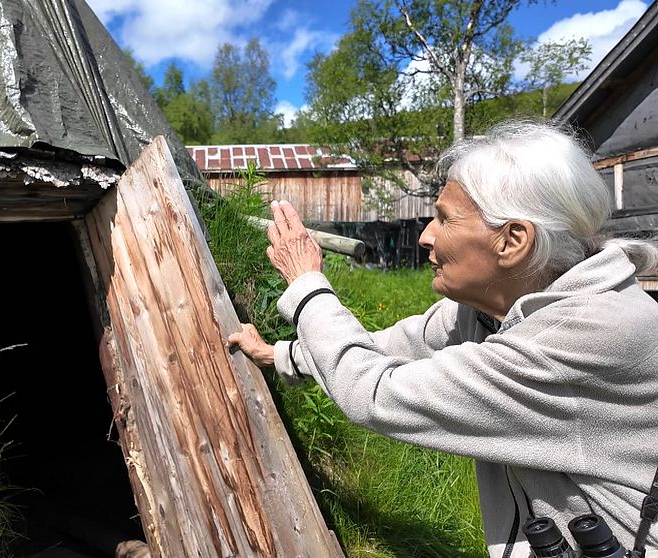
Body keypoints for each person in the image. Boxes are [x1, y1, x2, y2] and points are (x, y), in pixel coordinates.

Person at [227, 120, 658, 558]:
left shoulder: (582, 334)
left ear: (512, 241)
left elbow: (374, 393)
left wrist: (307, 287)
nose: (425, 236)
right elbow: (384, 348)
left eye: (445, 218)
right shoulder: (498, 307)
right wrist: (279, 354)